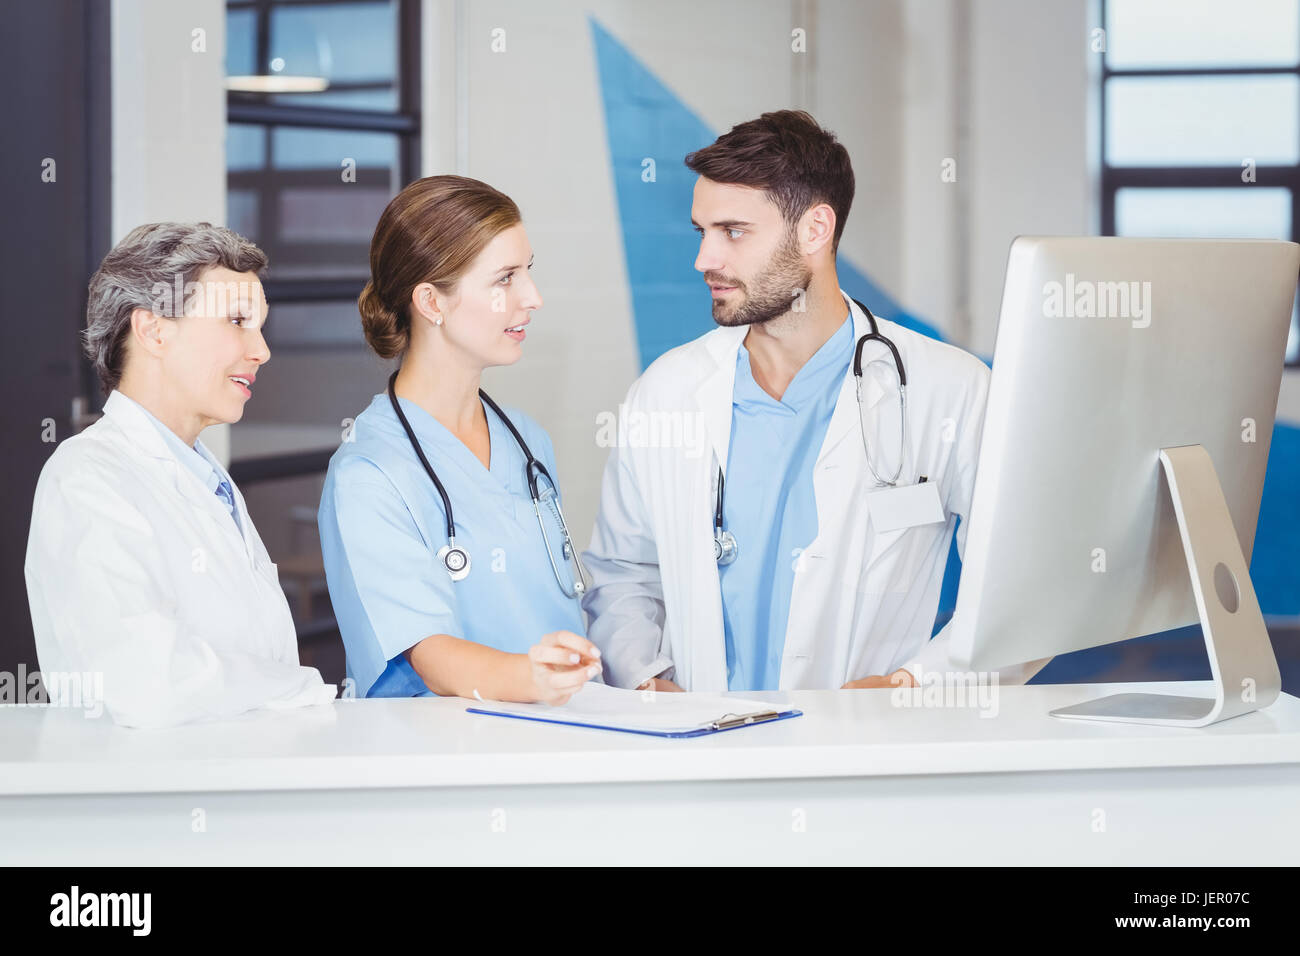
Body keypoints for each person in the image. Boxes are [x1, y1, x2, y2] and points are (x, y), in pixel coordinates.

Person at [582, 110, 1049, 692]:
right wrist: (648, 682)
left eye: (733, 232)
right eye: (701, 232)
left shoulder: (947, 388)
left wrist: (912, 686)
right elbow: (623, 573)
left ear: (815, 229)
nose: (704, 260)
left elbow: (1024, 587)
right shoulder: (668, 390)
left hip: (864, 752)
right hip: (701, 749)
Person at [25, 222, 336, 728]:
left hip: (236, 778)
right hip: (153, 794)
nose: (262, 350)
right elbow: (142, 679)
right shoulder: (85, 479)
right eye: (236, 321)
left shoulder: (204, 477)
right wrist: (302, 688)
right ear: (153, 331)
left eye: (258, 326)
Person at [319, 175, 600, 702]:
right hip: (450, 765)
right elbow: (430, 655)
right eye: (504, 279)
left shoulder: (527, 442)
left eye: (528, 273)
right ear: (431, 302)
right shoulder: (369, 474)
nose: (532, 297)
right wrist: (533, 678)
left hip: (564, 740)